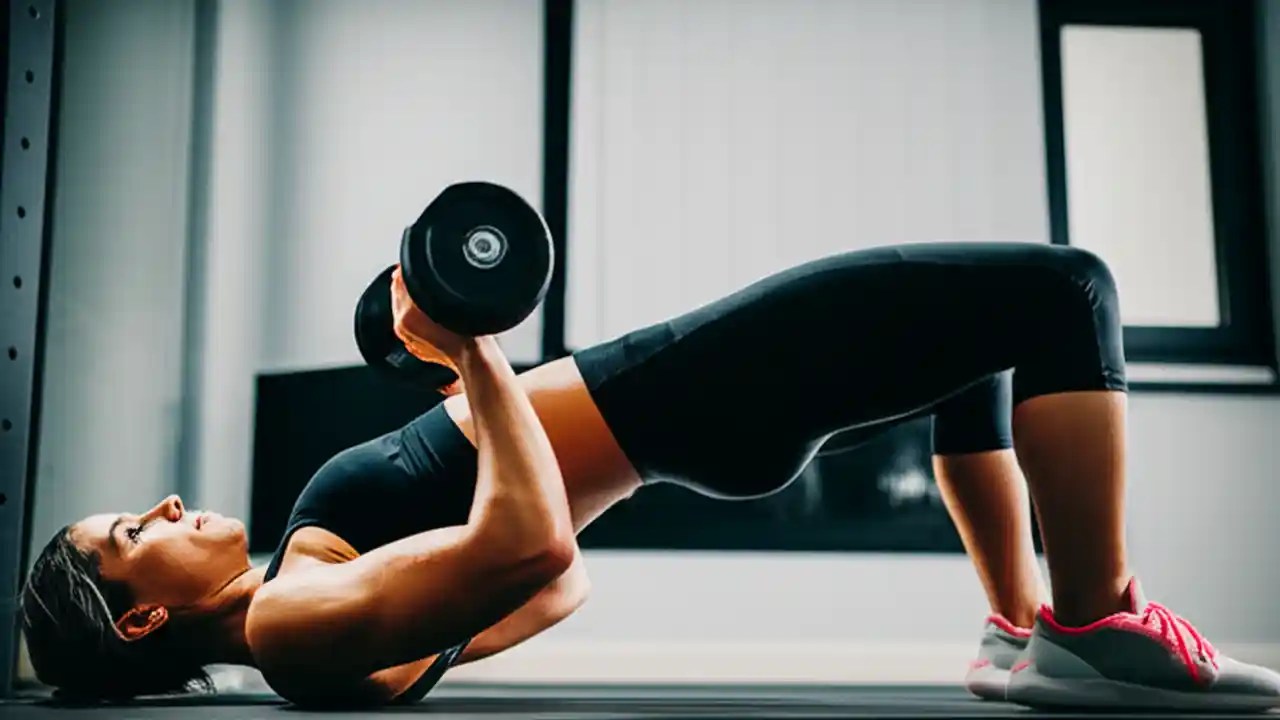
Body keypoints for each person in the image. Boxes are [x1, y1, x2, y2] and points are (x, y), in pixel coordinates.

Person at [20, 241, 1280, 711]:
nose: (171, 506)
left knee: (983, 337)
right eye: (138, 530)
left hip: (679, 426)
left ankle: (1019, 633)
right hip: (687, 395)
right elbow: (535, 552)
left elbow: (540, 582)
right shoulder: (293, 628)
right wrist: (468, 348)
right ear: (143, 617)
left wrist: (489, 435)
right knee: (1069, 291)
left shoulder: (313, 592)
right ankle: (1091, 619)